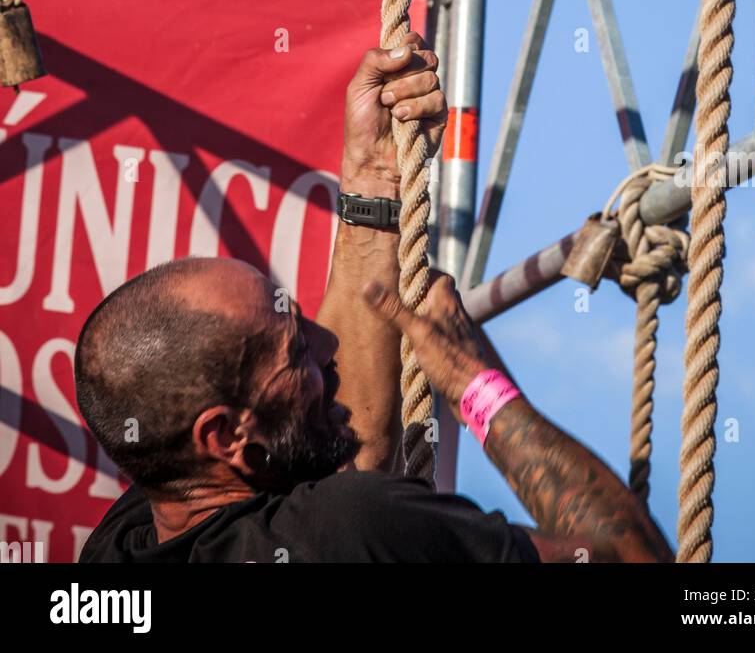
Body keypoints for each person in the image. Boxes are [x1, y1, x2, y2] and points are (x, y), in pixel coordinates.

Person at [75, 34, 673, 564]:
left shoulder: (123, 541)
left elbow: (343, 465)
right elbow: (631, 558)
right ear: (225, 436)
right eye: (295, 353)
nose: (329, 342)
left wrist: (373, 176)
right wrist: (475, 384)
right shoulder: (350, 529)